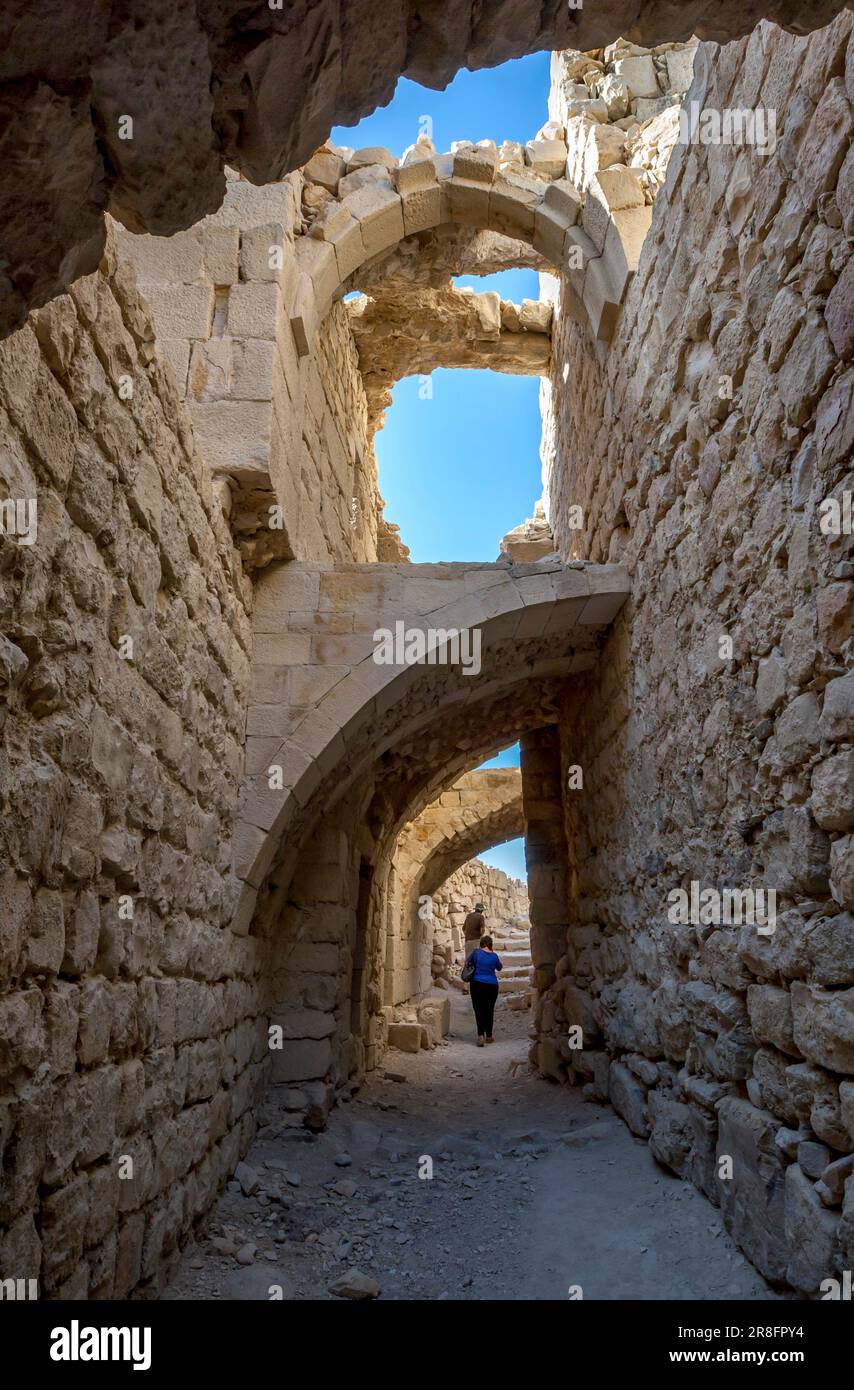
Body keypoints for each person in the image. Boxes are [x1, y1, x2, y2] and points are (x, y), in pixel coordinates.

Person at [466, 934, 502, 1046]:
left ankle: (481, 1035)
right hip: (492, 985)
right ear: (491, 945)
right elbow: (499, 967)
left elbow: (467, 963)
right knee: (489, 1010)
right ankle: (489, 1035)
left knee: (479, 1010)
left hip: (477, 984)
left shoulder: (475, 953)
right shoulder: (494, 956)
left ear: (481, 944)